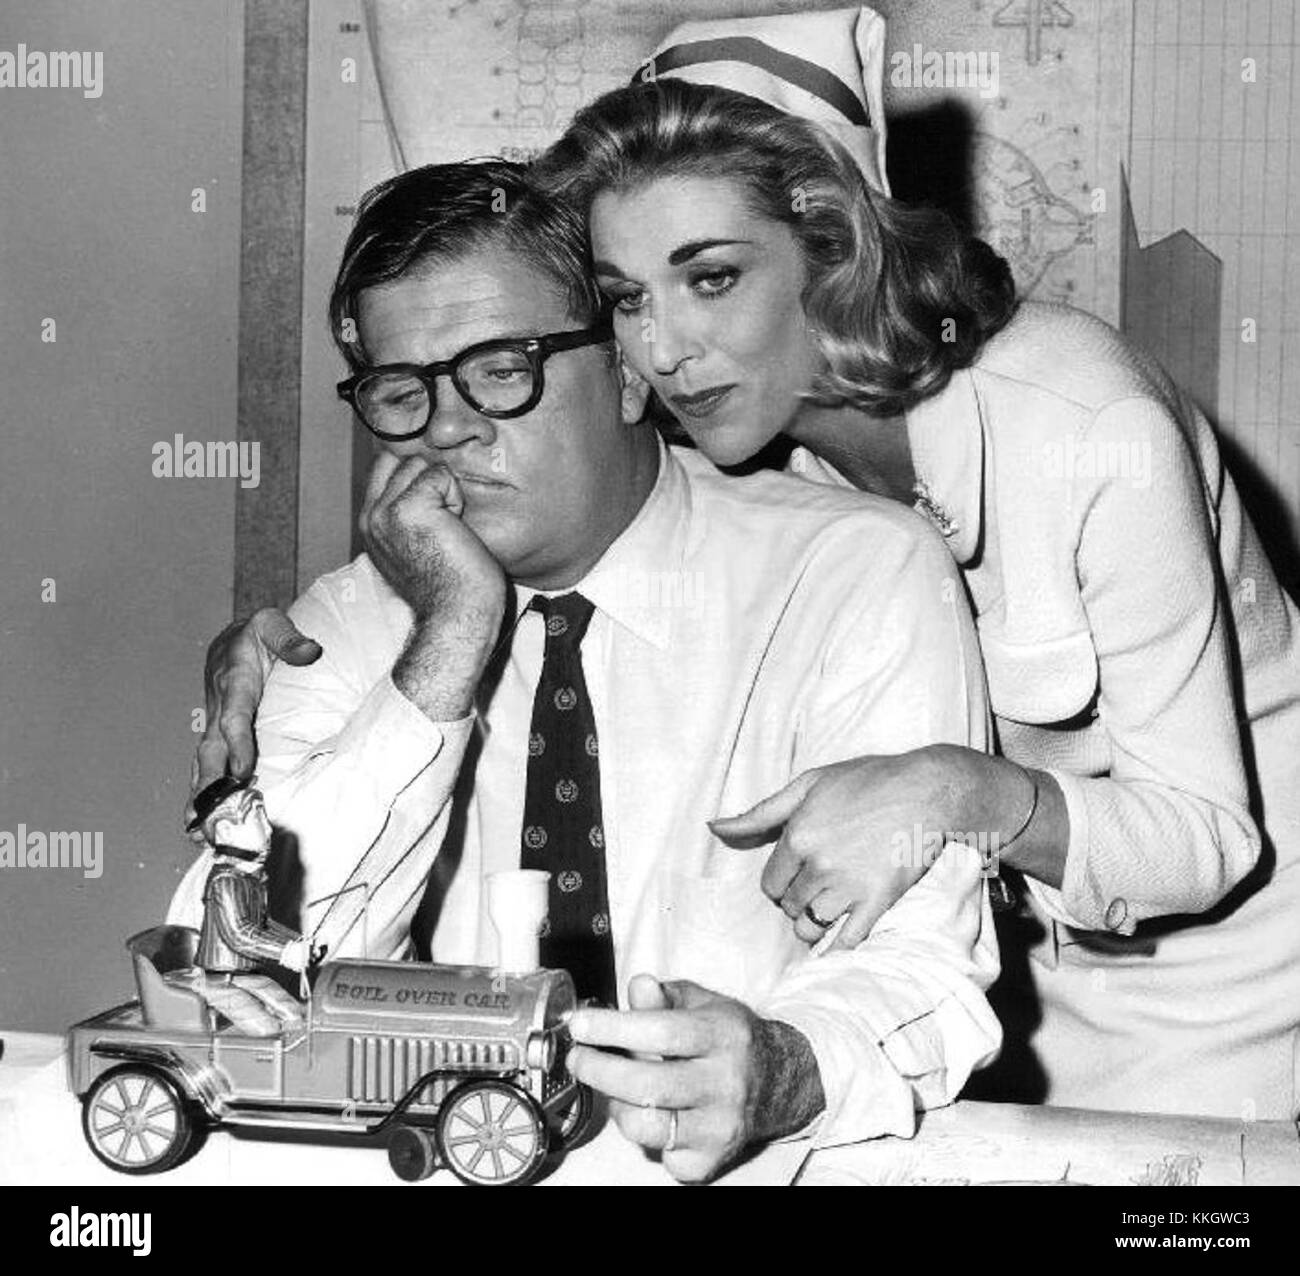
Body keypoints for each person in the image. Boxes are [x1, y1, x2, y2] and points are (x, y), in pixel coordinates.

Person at [518, 12, 1300, 1122]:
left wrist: (948, 792)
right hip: (984, 973)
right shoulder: (746, 451)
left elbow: (1207, 840)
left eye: (712, 279)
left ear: (836, 252)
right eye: (628, 298)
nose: (663, 349)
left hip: (1225, 983)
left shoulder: (1089, 426)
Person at [171, 158, 1000, 1182]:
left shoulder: (850, 573)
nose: (446, 427)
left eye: (500, 368)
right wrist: (449, 639)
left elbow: (923, 964)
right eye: (401, 390)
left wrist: (781, 1066)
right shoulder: (346, 622)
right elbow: (236, 983)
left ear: (625, 369)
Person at [173, 775, 314, 1037]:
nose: (269, 830)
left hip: (243, 977)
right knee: (266, 1029)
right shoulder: (225, 881)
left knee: (295, 1014)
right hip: (219, 982)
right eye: (257, 819)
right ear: (226, 831)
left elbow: (262, 923)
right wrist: (286, 953)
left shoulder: (251, 877)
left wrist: (296, 942)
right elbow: (240, 934)